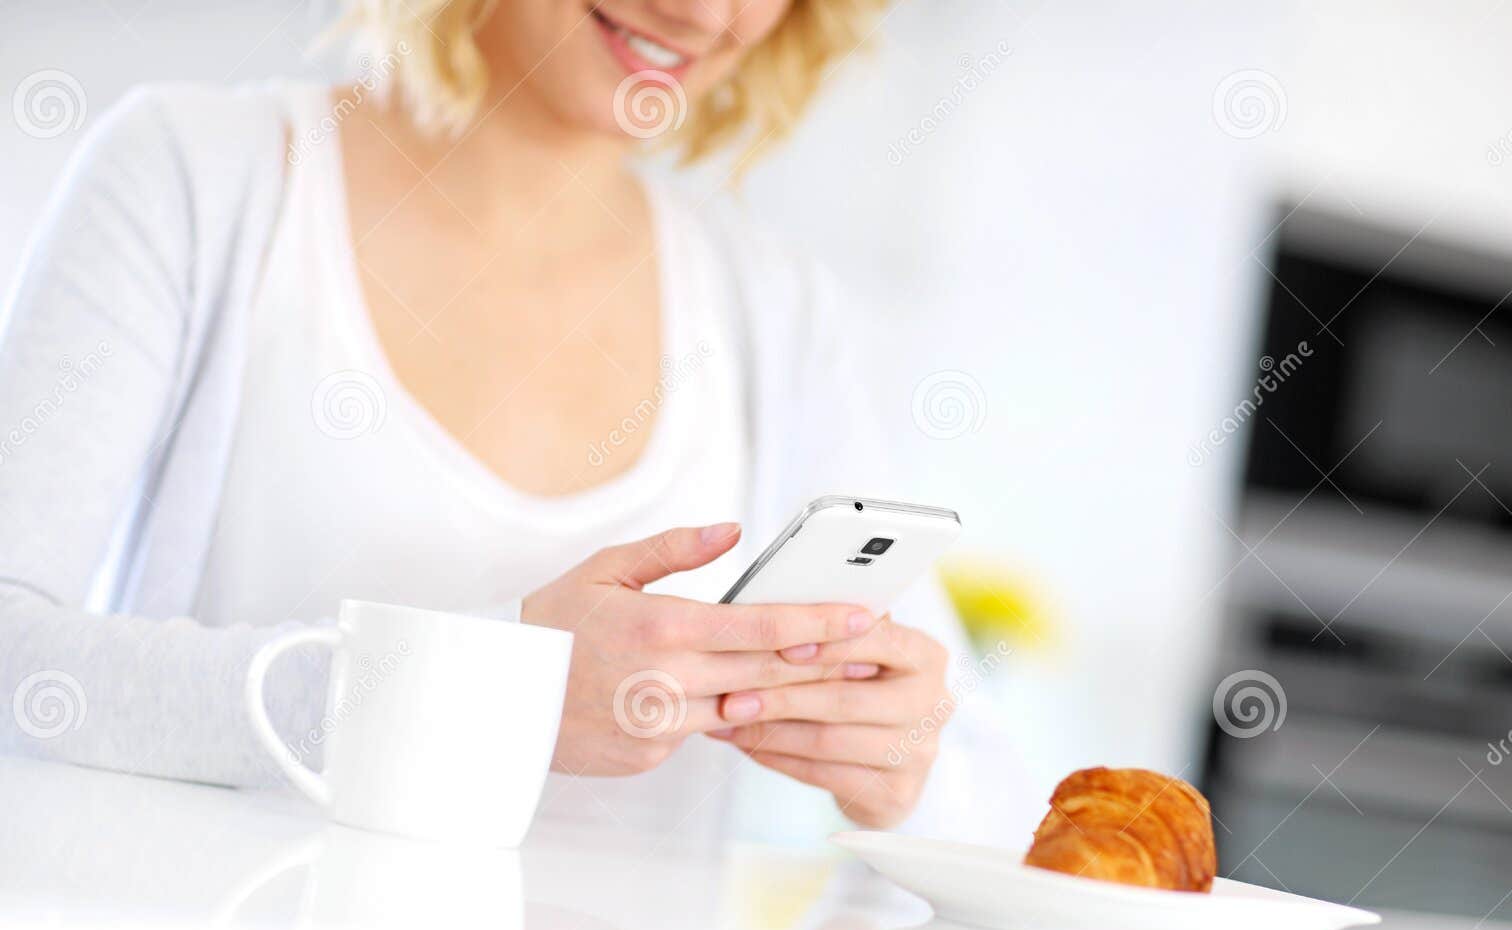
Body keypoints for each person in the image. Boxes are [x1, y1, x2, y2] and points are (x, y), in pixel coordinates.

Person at [0, 0, 1026, 842]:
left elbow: (978, 779)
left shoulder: (768, 307)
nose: (702, 11)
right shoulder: (194, 178)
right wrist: (484, 691)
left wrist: (897, 762)